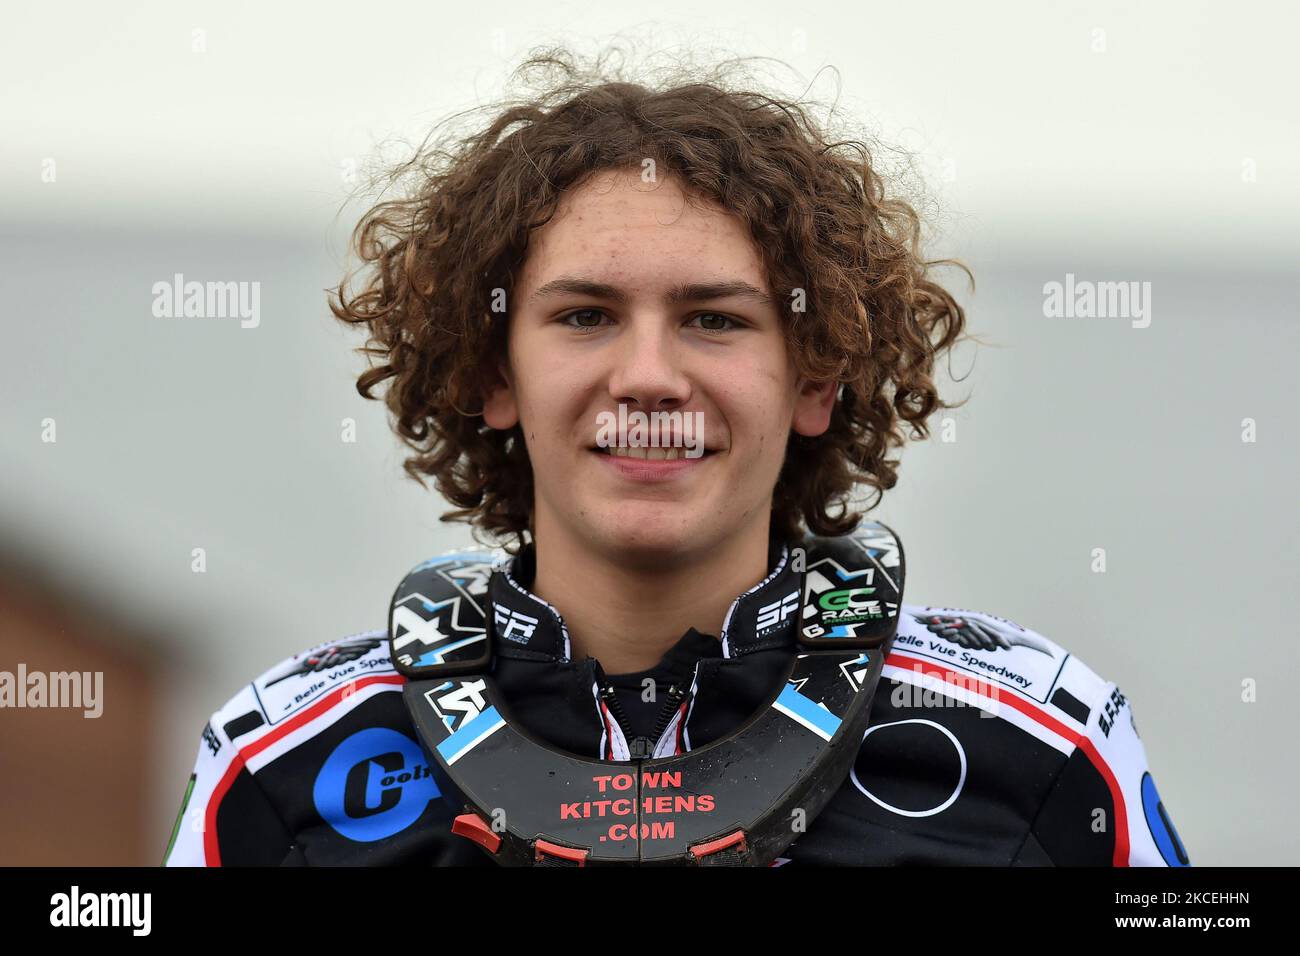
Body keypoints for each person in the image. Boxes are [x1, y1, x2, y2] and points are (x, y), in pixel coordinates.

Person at [163, 51, 1188, 867]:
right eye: (584, 315)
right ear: (492, 373)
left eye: (712, 317)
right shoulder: (276, 769)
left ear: (816, 379)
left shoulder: (1040, 746)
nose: (648, 375)